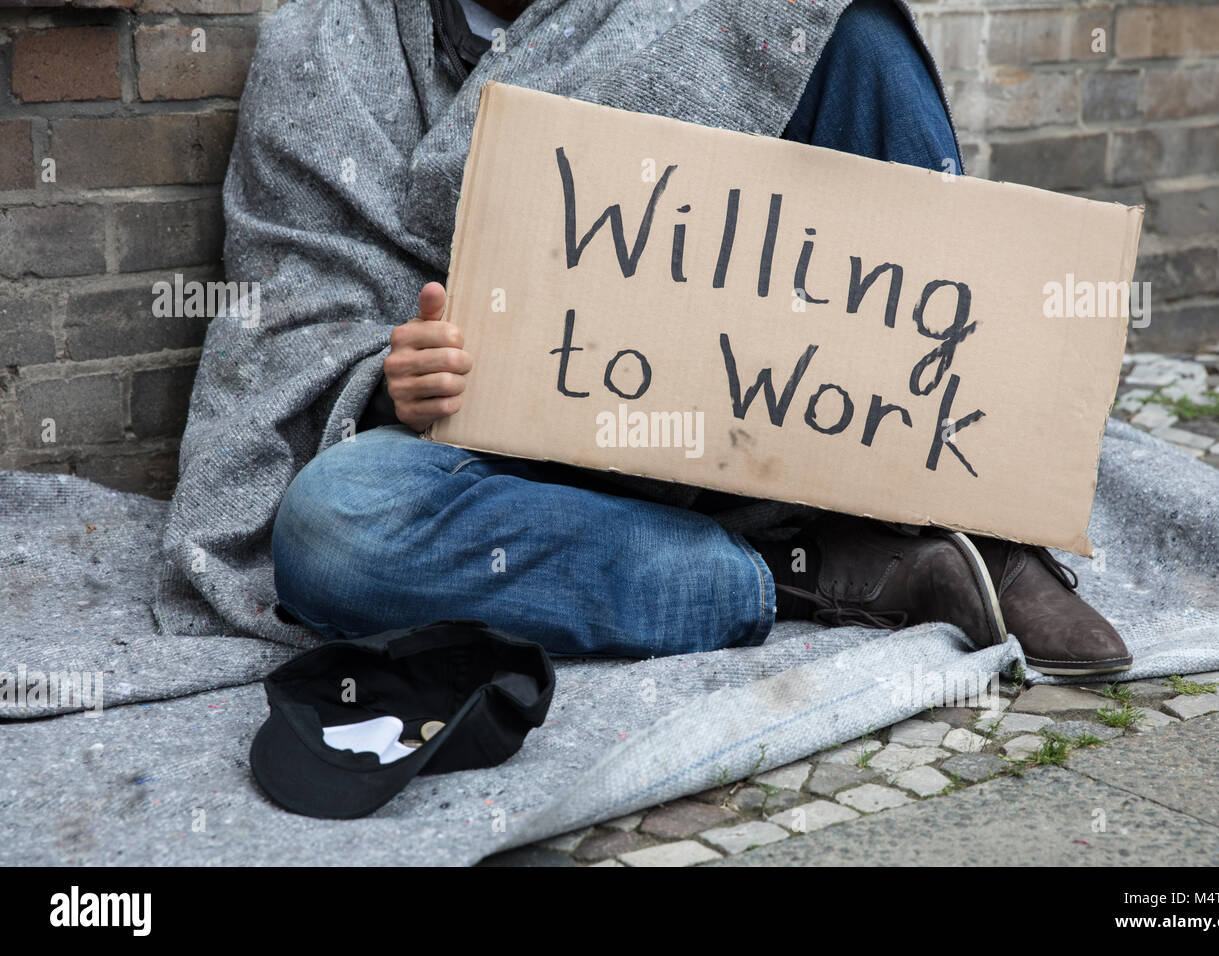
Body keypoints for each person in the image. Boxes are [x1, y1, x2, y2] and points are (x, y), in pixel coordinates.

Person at [266, 0, 1133, 677]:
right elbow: (300, 319)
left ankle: (973, 525)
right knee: (333, 533)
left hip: (751, 412)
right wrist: (394, 382)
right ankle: (802, 570)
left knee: (856, 30)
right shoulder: (327, 55)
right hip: (520, 467)